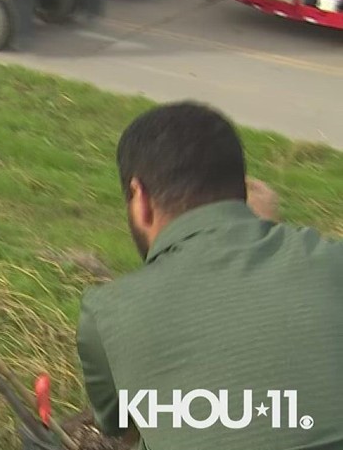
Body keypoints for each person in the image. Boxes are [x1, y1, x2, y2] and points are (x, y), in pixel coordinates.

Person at [77, 101, 343, 450]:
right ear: (243, 191)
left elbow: (121, 426)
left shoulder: (107, 313)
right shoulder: (331, 260)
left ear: (139, 198)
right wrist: (265, 229)